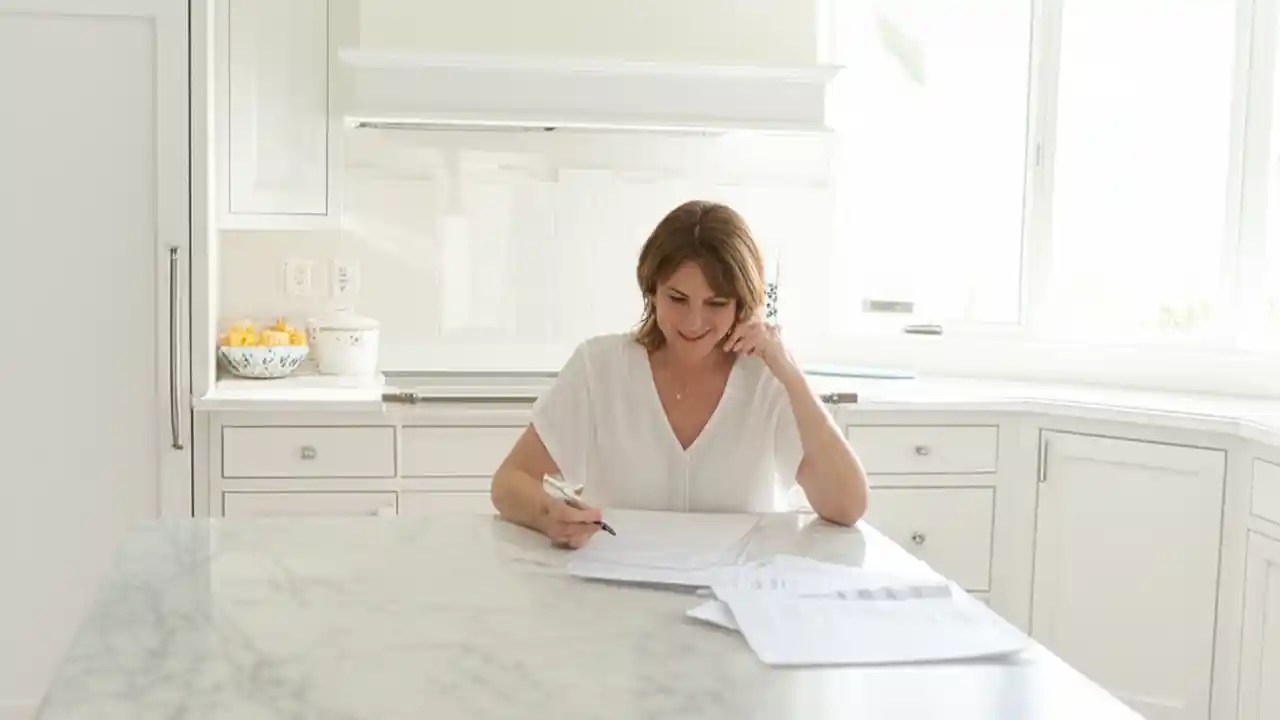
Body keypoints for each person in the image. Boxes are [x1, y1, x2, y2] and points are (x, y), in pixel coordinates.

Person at [490, 200, 869, 547]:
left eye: (716, 303)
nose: (693, 322)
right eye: (677, 298)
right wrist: (549, 516)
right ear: (651, 290)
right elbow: (509, 483)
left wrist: (787, 369)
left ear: (742, 304)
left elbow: (847, 506)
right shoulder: (598, 366)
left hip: (737, 597)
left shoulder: (768, 381)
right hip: (617, 595)